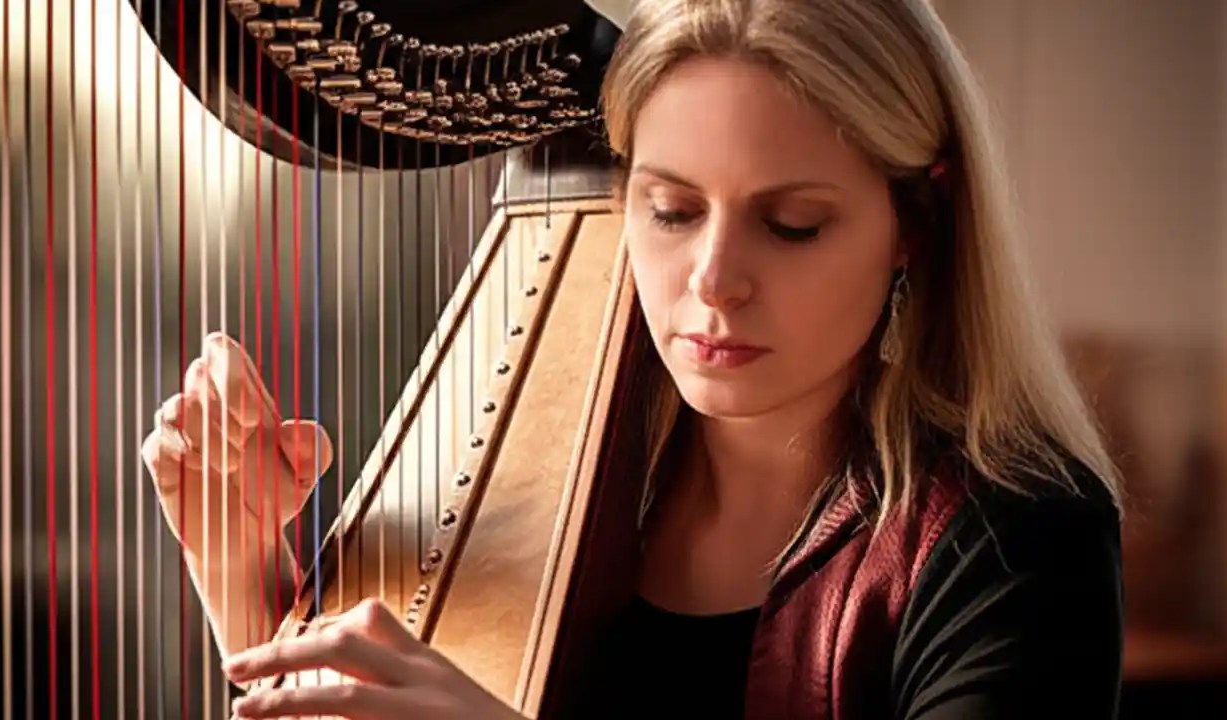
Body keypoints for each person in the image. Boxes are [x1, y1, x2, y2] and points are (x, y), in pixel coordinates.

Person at [142, 0, 1125, 718]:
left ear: (916, 219)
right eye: (670, 211)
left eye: (789, 226)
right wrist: (241, 575)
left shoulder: (1015, 536)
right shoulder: (571, 461)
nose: (712, 280)